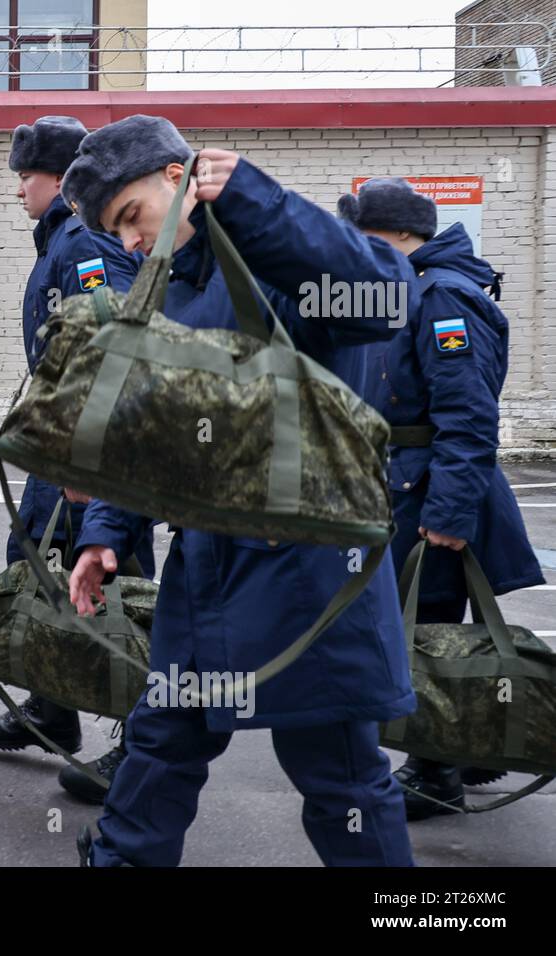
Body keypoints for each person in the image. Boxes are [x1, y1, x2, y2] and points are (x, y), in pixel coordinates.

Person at [61, 115, 419, 866]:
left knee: (342, 784)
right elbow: (155, 438)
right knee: (158, 750)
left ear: (178, 177)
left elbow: (384, 298)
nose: (128, 241)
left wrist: (255, 199)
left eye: (131, 216)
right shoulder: (166, 293)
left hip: (308, 583)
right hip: (208, 579)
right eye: (112, 230)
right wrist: (105, 533)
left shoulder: (277, 264)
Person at [338, 178, 545, 818]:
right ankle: (469, 748)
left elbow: (469, 418)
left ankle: (434, 772)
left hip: (434, 497)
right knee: (421, 628)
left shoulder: (445, 299)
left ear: (402, 236)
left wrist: (448, 516)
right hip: (408, 486)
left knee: (424, 632)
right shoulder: (409, 292)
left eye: (364, 240)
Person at [0, 116, 156, 806]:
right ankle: (53, 706)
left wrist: (87, 464)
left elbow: (107, 354)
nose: (19, 187)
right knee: (45, 571)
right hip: (63, 448)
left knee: (123, 585)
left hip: (91, 455)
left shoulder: (83, 244)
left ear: (61, 180)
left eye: (28, 175)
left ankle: (143, 743)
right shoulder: (62, 238)